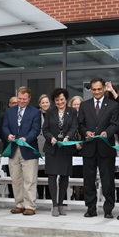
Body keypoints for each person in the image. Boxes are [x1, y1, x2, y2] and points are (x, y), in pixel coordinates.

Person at [78, 78, 119, 219]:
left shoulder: (113, 105)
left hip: (106, 148)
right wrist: (85, 132)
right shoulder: (84, 105)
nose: (96, 92)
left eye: (99, 89)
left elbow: (115, 124)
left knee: (108, 180)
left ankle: (108, 209)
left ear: (104, 88)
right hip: (89, 148)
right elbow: (80, 124)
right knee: (88, 180)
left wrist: (106, 133)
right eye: (94, 89)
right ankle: (91, 208)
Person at [0, 86, 42, 216]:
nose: (21, 101)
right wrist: (8, 135)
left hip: (28, 149)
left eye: (24, 99)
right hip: (13, 149)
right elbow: (4, 126)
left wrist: (26, 138)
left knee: (29, 179)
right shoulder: (10, 111)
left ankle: (30, 205)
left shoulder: (35, 112)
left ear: (29, 98)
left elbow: (36, 130)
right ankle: (19, 204)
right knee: (16, 179)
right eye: (19, 98)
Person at [41, 88, 77, 217]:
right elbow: (45, 129)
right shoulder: (50, 111)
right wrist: (51, 137)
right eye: (57, 100)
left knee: (64, 177)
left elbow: (74, 127)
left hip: (65, 147)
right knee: (52, 176)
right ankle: (54, 205)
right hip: (52, 148)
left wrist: (68, 137)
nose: (60, 102)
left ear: (66, 99)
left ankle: (61, 204)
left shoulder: (72, 112)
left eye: (62, 99)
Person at [105, 82, 119, 202]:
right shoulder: (106, 111)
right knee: (108, 174)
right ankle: (109, 198)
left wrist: (112, 91)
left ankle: (118, 198)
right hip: (108, 143)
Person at [67, 95, 84, 201]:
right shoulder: (68, 117)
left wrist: (82, 143)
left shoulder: (86, 116)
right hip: (72, 151)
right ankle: (76, 196)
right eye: (75, 104)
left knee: (84, 174)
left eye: (79, 104)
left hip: (84, 150)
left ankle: (83, 195)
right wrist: (75, 143)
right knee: (75, 175)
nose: (77, 106)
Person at [36, 94, 52, 200]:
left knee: (50, 172)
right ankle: (40, 195)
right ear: (40, 104)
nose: (45, 104)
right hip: (39, 145)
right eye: (43, 102)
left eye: (47, 102)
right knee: (40, 172)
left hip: (51, 145)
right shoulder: (36, 114)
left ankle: (51, 196)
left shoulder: (54, 113)